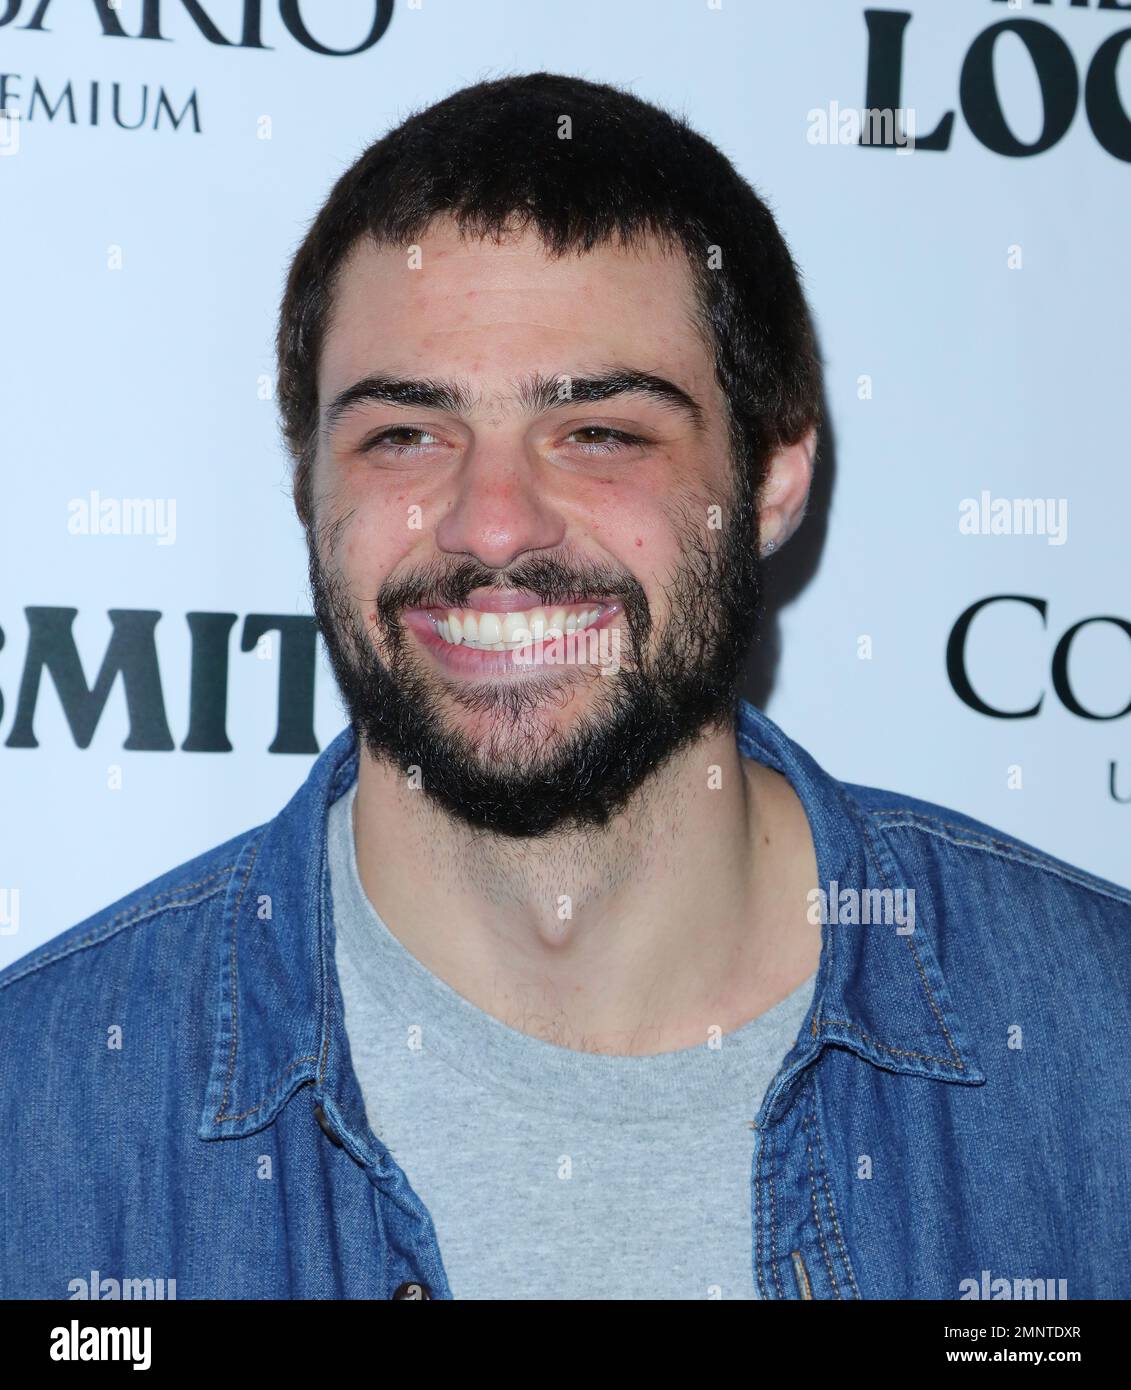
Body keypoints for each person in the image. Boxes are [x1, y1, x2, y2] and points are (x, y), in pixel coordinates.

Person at [2, 72, 1129, 1302]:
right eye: (405, 435)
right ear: (311, 487)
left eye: (600, 432)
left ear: (773, 478)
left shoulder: (1094, 1051)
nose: (492, 527)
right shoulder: (44, 1110)